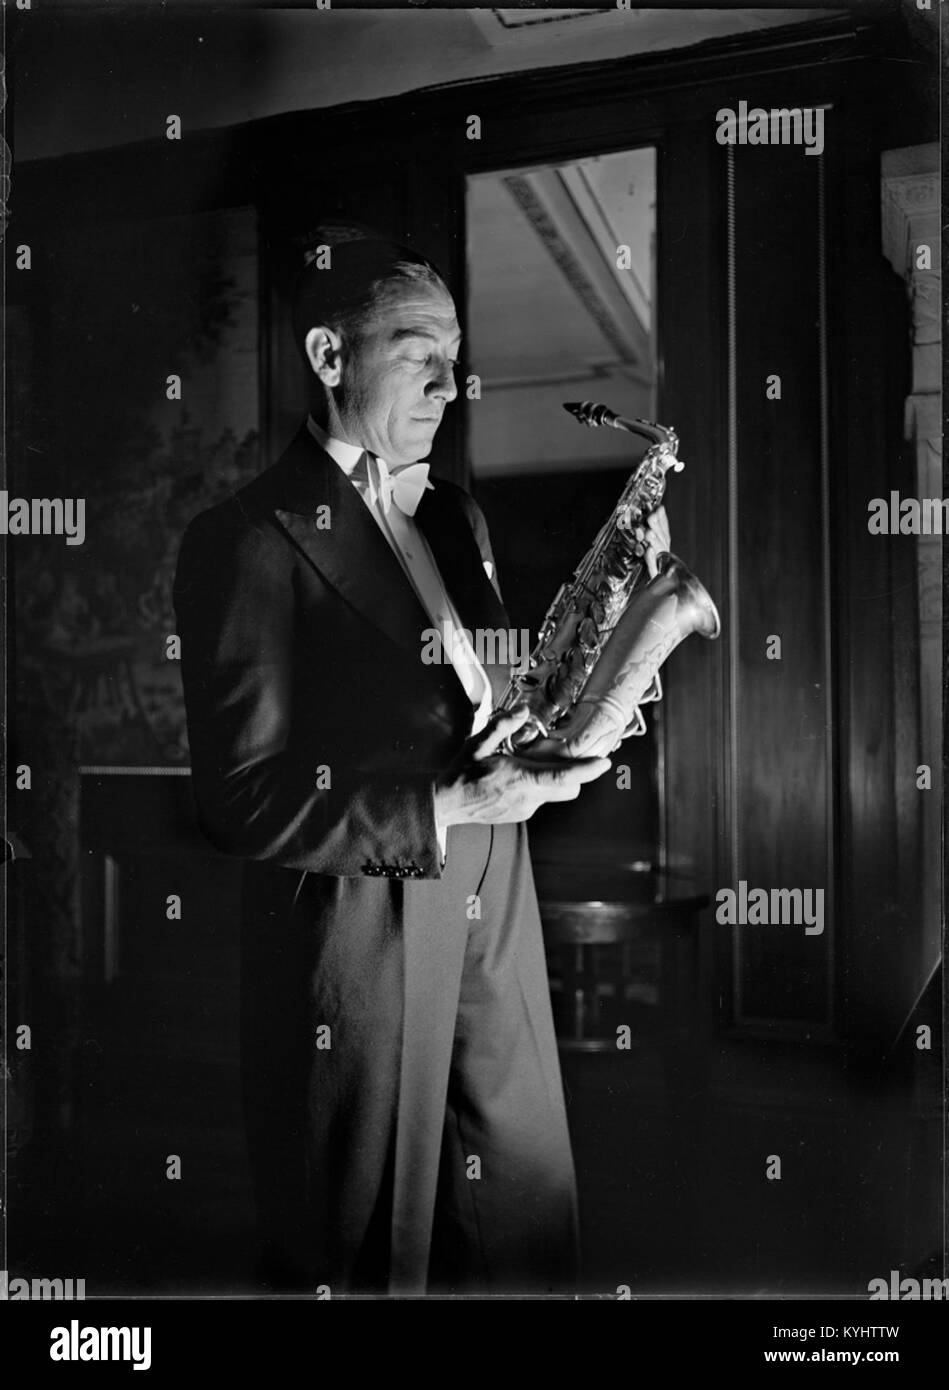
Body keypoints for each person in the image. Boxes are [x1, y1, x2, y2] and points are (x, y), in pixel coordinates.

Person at [173, 236, 667, 1297]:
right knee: (369, 1238)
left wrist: (582, 710)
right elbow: (241, 799)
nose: (453, 382)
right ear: (327, 353)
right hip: (362, 927)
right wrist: (447, 802)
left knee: (519, 1206)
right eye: (418, 352)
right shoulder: (245, 539)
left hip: (499, 881)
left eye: (456, 354)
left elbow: (478, 703)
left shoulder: (452, 512)